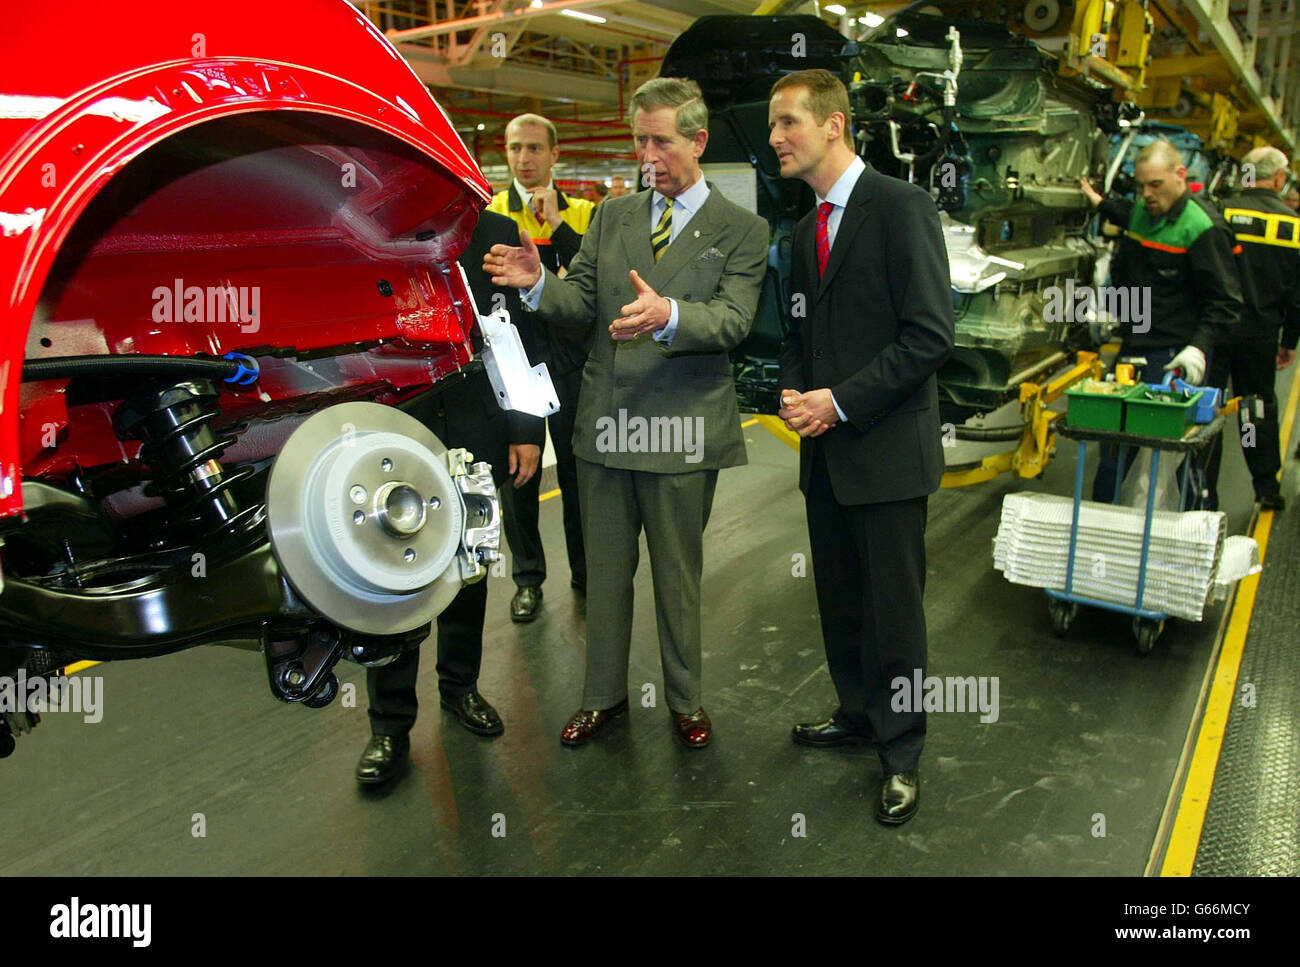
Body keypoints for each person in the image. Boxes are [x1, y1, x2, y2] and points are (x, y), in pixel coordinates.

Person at [484, 76, 767, 750]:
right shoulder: (613, 218)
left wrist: (670, 315)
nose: (648, 155)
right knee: (604, 577)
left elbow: (733, 319)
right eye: (639, 140)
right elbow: (582, 304)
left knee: (677, 579)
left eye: (661, 142)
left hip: (682, 430)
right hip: (608, 429)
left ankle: (685, 699)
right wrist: (539, 284)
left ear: (697, 141)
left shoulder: (742, 230)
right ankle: (602, 697)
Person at [768, 69, 954, 826]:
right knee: (841, 603)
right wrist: (790, 391)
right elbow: (797, 336)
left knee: (894, 616)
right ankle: (857, 713)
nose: (776, 137)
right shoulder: (804, 229)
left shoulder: (901, 208)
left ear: (834, 124)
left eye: (788, 123)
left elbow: (930, 334)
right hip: (827, 460)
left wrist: (839, 402)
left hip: (884, 453)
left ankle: (902, 751)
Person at [355, 210, 543, 784]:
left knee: (469, 566)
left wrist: (526, 427)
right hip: (391, 422)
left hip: (475, 422)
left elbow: (520, 336)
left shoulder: (496, 234)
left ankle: (461, 688)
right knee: (391, 572)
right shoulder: (361, 228)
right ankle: (389, 727)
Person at [1079, 140, 1242, 505]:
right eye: (1141, 186)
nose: (1147, 194)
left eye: (1155, 185)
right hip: (1134, 348)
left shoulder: (1202, 228)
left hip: (1173, 356)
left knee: (1178, 453)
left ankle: (1190, 532)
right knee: (1114, 448)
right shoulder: (1143, 210)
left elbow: (1226, 302)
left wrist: (1197, 349)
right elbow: (1124, 212)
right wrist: (1098, 200)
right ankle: (1101, 531)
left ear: (1180, 175)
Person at [487, 114, 595, 622]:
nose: (524, 158)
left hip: (574, 361)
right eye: (515, 148)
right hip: (518, 362)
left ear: (555, 154)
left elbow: (596, 286)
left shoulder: (587, 215)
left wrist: (557, 224)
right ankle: (528, 578)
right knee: (520, 474)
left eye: (534, 148)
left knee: (578, 473)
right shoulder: (491, 214)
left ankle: (587, 571)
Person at [1204, 146, 1300, 510]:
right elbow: (1297, 295)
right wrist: (1288, 339)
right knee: (1252, 408)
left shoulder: (1220, 211)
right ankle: (1264, 484)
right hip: (1260, 335)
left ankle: (1205, 489)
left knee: (1209, 408)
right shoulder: (1293, 226)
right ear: (1278, 179)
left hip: (1216, 330)